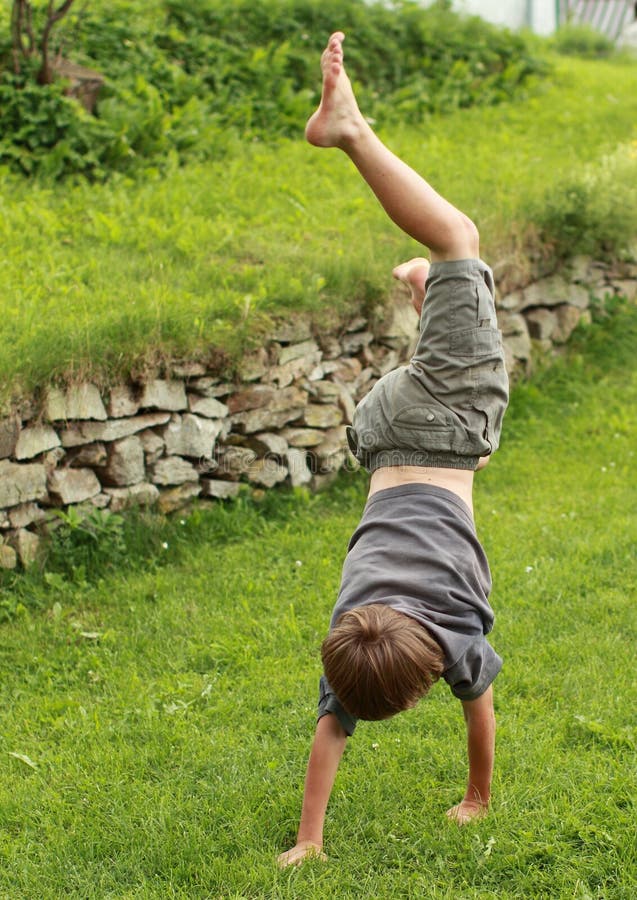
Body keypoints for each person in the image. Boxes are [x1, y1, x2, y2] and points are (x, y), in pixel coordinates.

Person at [277, 32, 509, 868]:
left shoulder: (452, 638)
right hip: (376, 437)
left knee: (458, 238)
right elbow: (327, 732)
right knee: (452, 296)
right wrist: (302, 840)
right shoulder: (351, 629)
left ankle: (348, 131)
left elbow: (476, 708)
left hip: (444, 429)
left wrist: (478, 796)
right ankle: (427, 297)